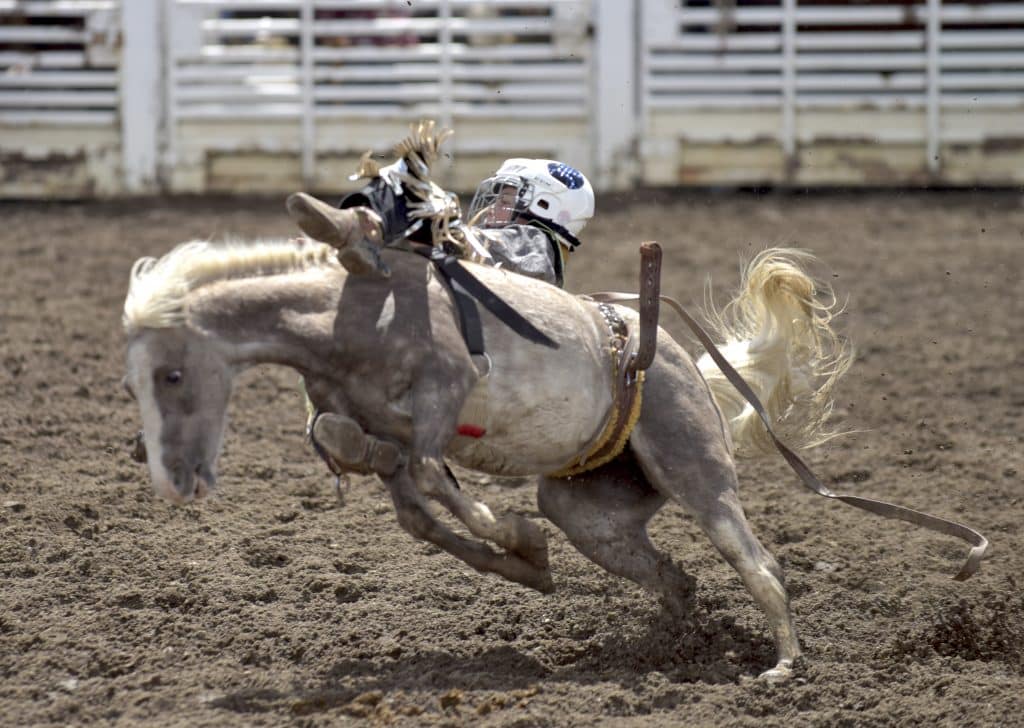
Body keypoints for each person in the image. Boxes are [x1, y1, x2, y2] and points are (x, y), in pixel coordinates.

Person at [335, 156, 595, 288]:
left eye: (505, 201)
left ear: (544, 206)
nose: (492, 209)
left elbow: (480, 249)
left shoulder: (537, 246)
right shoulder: (527, 247)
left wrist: (434, 226)